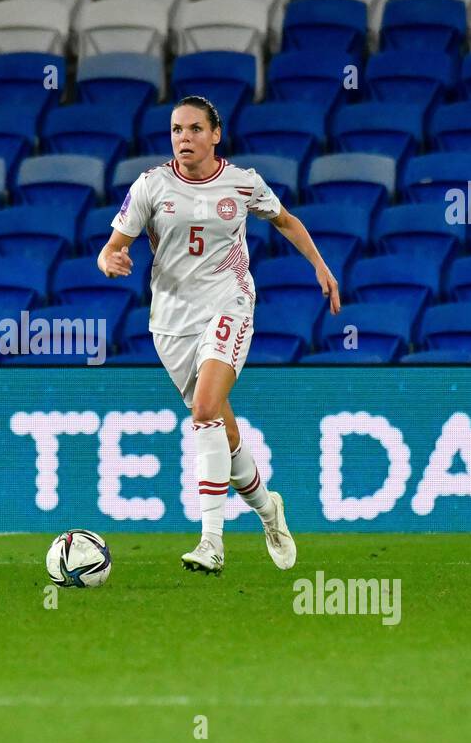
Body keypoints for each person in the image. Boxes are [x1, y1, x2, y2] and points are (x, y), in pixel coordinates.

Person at [97, 95, 341, 574]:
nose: (183, 138)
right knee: (223, 432)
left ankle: (211, 541)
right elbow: (111, 247)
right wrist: (110, 261)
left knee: (204, 410)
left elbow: (286, 221)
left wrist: (319, 264)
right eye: (175, 130)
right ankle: (270, 512)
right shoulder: (151, 185)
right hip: (171, 323)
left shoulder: (243, 183)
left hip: (229, 305)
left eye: (192, 129)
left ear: (214, 135)